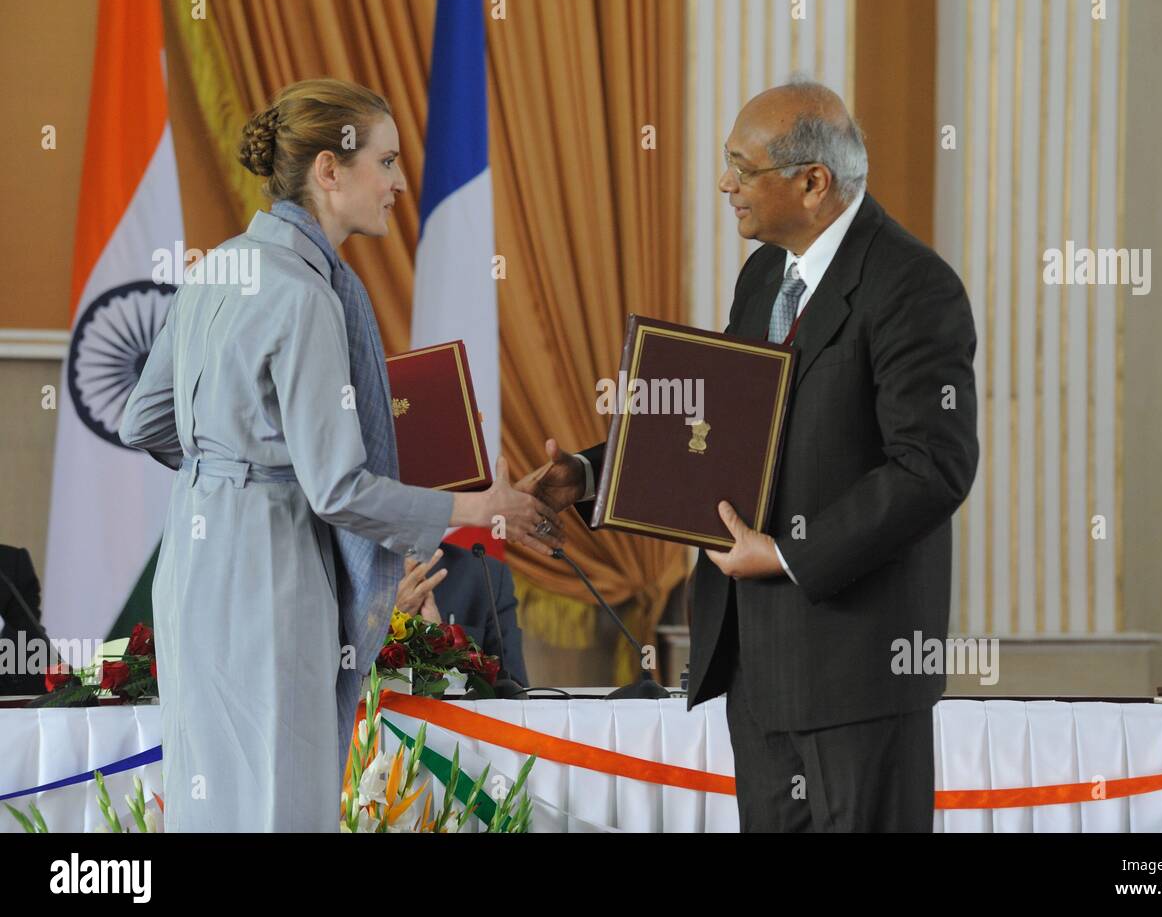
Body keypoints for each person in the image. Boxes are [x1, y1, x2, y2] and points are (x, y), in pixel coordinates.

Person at [523, 80, 979, 832]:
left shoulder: (913, 287)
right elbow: (722, 427)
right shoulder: (766, 274)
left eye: (742, 166)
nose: (726, 184)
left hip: (858, 674)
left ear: (812, 182)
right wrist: (590, 473)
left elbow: (933, 467)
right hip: (758, 668)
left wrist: (791, 553)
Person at [118, 78, 562, 832]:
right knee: (283, 801)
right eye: (385, 162)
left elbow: (142, 421)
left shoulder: (216, 267)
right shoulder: (304, 294)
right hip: (270, 566)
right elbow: (336, 489)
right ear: (329, 170)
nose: (397, 183)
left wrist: (227, 469)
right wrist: (479, 505)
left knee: (213, 800)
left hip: (194, 565)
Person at [392, 544, 529, 686]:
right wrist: (389, 623)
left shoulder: (485, 574)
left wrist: (442, 642)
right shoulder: (367, 570)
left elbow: (514, 692)